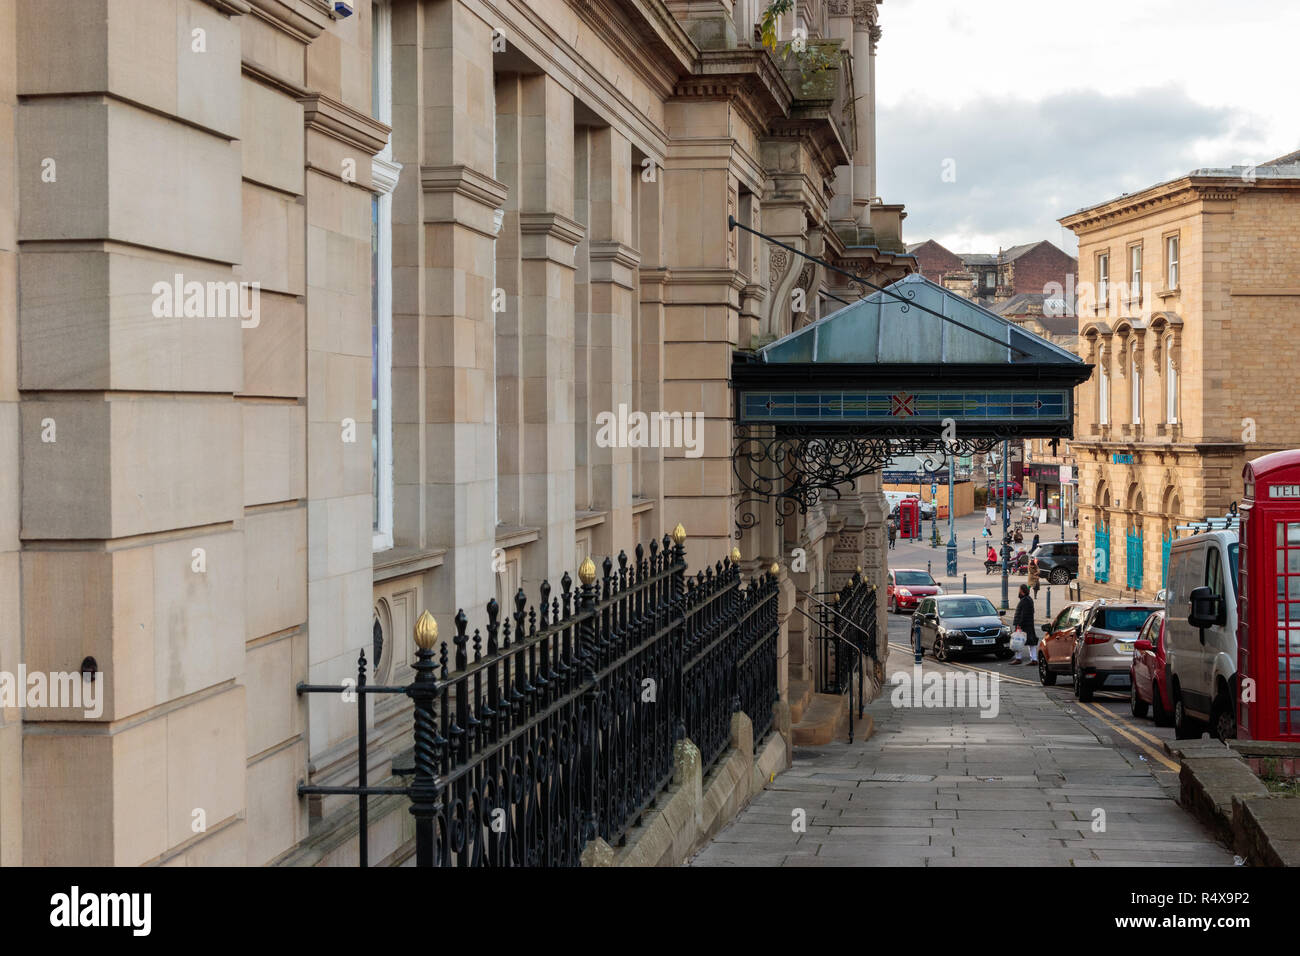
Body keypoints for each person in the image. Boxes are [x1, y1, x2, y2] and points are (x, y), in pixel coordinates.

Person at [1009, 584, 1035, 665]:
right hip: (1028, 623)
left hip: (1024, 624)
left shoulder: (1025, 600)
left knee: (1019, 641)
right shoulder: (1027, 599)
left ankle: (1030, 659)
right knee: (1027, 641)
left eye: (1019, 590)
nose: (1018, 592)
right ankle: (1031, 659)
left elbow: (1023, 614)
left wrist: (1019, 624)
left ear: (1022, 591)